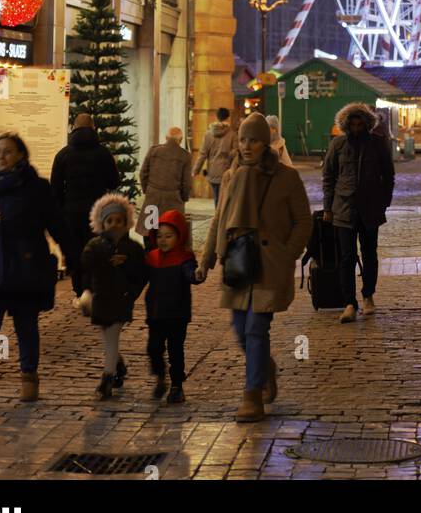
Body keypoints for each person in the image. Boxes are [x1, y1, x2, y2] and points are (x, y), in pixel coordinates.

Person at [0, 133, 77, 411]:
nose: (1, 157)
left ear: (21, 155)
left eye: (8, 152)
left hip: (26, 267)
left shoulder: (38, 188)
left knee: (26, 324)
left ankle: (29, 377)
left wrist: (75, 261)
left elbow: (58, 226)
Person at [197, 112, 311, 423]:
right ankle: (265, 370)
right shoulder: (233, 176)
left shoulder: (286, 178)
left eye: (255, 140)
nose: (247, 146)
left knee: (255, 328)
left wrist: (288, 254)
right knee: (240, 331)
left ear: (266, 142)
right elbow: (220, 220)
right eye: (244, 139)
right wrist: (207, 259)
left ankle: (252, 396)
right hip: (237, 262)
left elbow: (303, 221)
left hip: (269, 264)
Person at [322, 101, 395, 324]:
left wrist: (384, 202)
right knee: (346, 258)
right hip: (343, 209)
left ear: (365, 124)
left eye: (359, 124)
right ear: (346, 125)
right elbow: (329, 177)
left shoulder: (378, 144)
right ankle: (349, 303)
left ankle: (368, 295)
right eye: (352, 124)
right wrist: (328, 207)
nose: (355, 128)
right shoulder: (338, 145)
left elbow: (388, 175)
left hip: (370, 208)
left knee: (369, 254)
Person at [78, 193, 146, 399]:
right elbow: (86, 269)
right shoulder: (95, 246)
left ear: (126, 223)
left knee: (111, 335)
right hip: (101, 298)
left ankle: (107, 379)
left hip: (121, 299)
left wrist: (131, 293)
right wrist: (87, 290)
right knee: (107, 336)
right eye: (110, 221)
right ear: (102, 223)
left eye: (119, 221)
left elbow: (141, 275)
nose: (114, 225)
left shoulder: (133, 249)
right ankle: (118, 364)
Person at [50, 113, 119, 291]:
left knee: (74, 250)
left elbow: (55, 188)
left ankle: (79, 289)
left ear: (73, 128)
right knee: (95, 248)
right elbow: (113, 182)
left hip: (71, 211)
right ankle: (93, 287)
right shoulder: (103, 153)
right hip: (97, 210)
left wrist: (60, 211)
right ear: (93, 128)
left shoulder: (63, 155)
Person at [143, 208, 199, 404]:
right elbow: (140, 279)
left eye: (169, 236)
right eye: (160, 236)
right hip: (156, 313)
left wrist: (197, 275)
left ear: (179, 236)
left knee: (176, 350)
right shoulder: (152, 258)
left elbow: (191, 274)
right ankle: (160, 376)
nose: (163, 240)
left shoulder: (184, 258)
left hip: (177, 314)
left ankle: (176, 385)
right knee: (153, 348)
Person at [136, 126, 193, 234]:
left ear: (166, 138)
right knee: (171, 230)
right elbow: (186, 183)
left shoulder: (154, 151)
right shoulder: (185, 156)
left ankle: (150, 250)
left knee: (150, 229)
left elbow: (143, 173)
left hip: (153, 196)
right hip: (173, 200)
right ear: (180, 140)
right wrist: (183, 198)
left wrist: (147, 190)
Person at [193, 106, 237, 206]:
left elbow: (203, 154)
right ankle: (222, 218)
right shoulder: (232, 134)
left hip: (212, 171)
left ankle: (218, 215)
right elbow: (235, 153)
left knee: (217, 196)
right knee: (226, 197)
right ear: (228, 117)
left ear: (217, 117)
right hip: (227, 170)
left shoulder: (208, 134)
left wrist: (195, 170)